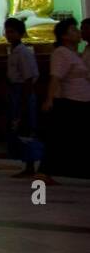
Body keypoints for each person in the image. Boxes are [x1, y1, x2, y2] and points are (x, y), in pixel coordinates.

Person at [43, 18, 89, 182]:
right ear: (64, 36)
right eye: (74, 30)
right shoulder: (61, 53)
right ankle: (44, 171)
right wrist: (49, 99)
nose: (78, 32)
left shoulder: (75, 54)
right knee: (60, 137)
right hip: (71, 100)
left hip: (81, 100)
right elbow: (55, 77)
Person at [5, 17, 44, 179]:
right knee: (18, 128)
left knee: (26, 127)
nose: (8, 35)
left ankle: (31, 165)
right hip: (16, 91)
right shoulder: (13, 51)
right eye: (7, 32)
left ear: (21, 34)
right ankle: (27, 163)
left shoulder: (23, 52)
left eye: (12, 32)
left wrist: (24, 100)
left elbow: (28, 79)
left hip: (23, 92)